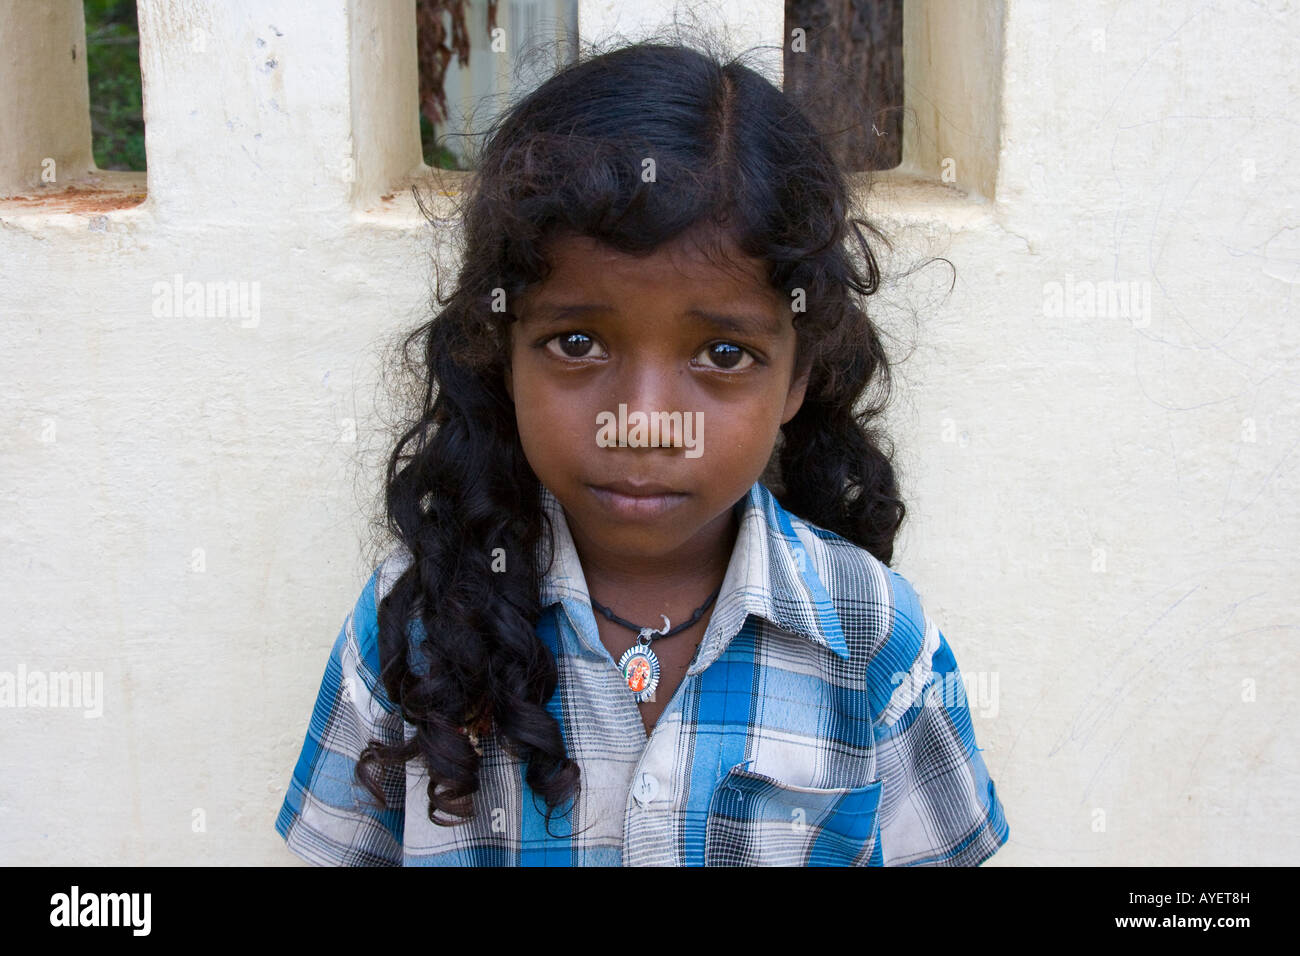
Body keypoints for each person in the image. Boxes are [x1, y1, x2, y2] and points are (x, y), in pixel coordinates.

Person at [274, 39, 1009, 866]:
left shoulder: (874, 638)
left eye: (723, 356)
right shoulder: (412, 628)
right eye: (578, 341)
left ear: (799, 376)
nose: (646, 421)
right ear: (502, 348)